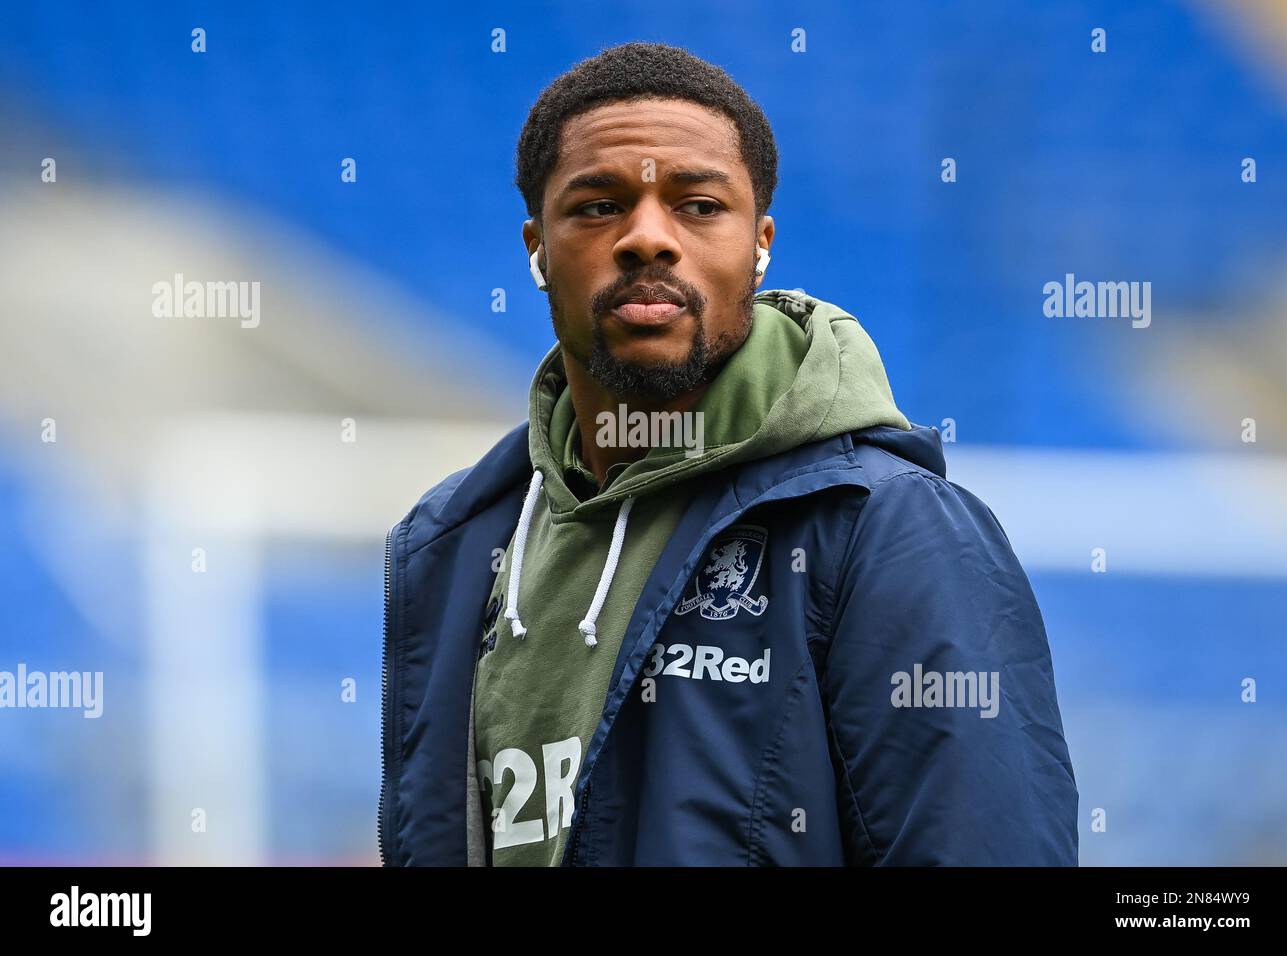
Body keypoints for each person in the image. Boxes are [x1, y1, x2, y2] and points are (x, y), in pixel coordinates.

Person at [379, 41, 1078, 866]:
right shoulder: (457, 547)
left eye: (699, 205)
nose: (648, 238)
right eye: (598, 206)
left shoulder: (884, 528)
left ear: (761, 243)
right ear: (536, 246)